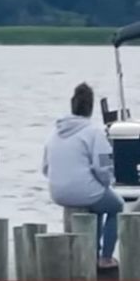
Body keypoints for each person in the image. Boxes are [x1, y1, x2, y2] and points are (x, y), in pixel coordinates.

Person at [43, 82, 123, 269]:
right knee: (116, 206)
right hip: (83, 191)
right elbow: (103, 167)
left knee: (98, 205)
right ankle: (105, 257)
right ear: (91, 107)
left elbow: (45, 167)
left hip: (57, 192)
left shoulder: (55, 132)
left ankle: (91, 253)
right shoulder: (94, 132)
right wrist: (107, 183)